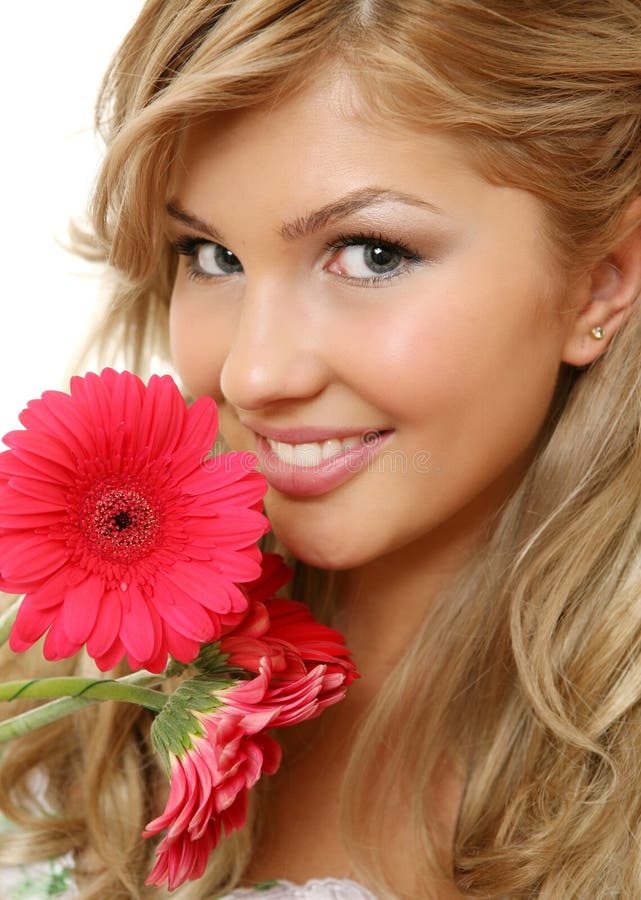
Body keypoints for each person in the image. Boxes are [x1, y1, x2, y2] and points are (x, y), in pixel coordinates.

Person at [2, 0, 641, 897]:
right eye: (211, 255)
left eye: (371, 253)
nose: (252, 373)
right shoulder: (69, 685)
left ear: (599, 281)